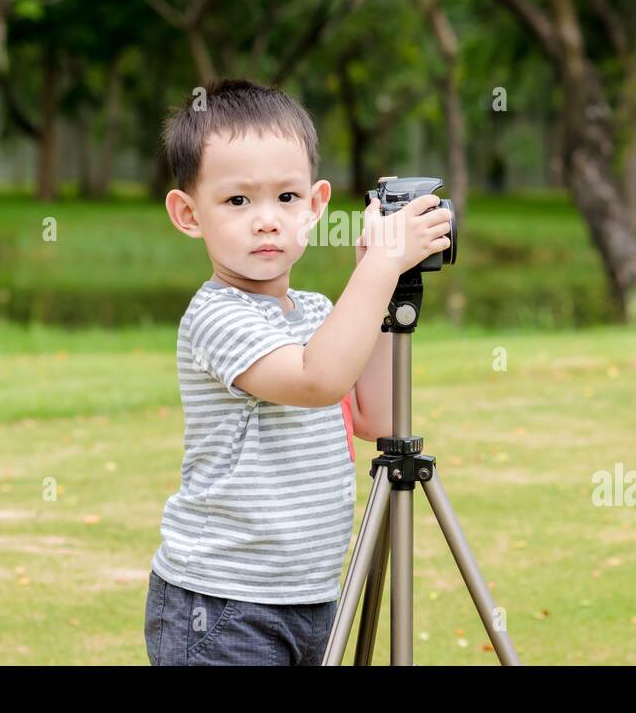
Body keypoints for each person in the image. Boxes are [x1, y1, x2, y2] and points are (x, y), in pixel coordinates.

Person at [145, 78, 452, 665]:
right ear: (188, 214)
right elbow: (317, 381)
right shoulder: (216, 315)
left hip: (310, 596)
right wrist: (382, 265)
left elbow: (375, 416)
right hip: (222, 602)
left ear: (315, 206)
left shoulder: (317, 310)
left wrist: (382, 280)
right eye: (238, 201)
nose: (266, 220)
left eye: (286, 199)